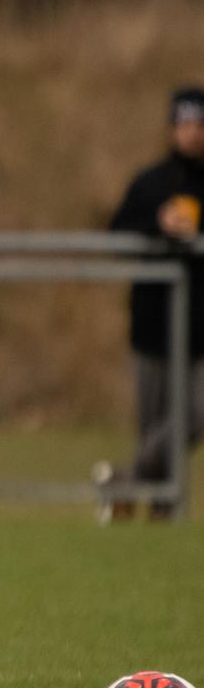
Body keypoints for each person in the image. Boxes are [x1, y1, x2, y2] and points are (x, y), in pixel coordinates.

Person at [98, 86, 204, 520]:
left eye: (200, 125)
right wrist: (157, 224)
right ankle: (163, 519)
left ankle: (126, 480)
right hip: (154, 324)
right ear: (171, 129)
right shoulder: (151, 183)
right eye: (186, 125)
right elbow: (117, 233)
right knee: (155, 419)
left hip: (202, 326)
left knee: (195, 413)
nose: (194, 134)